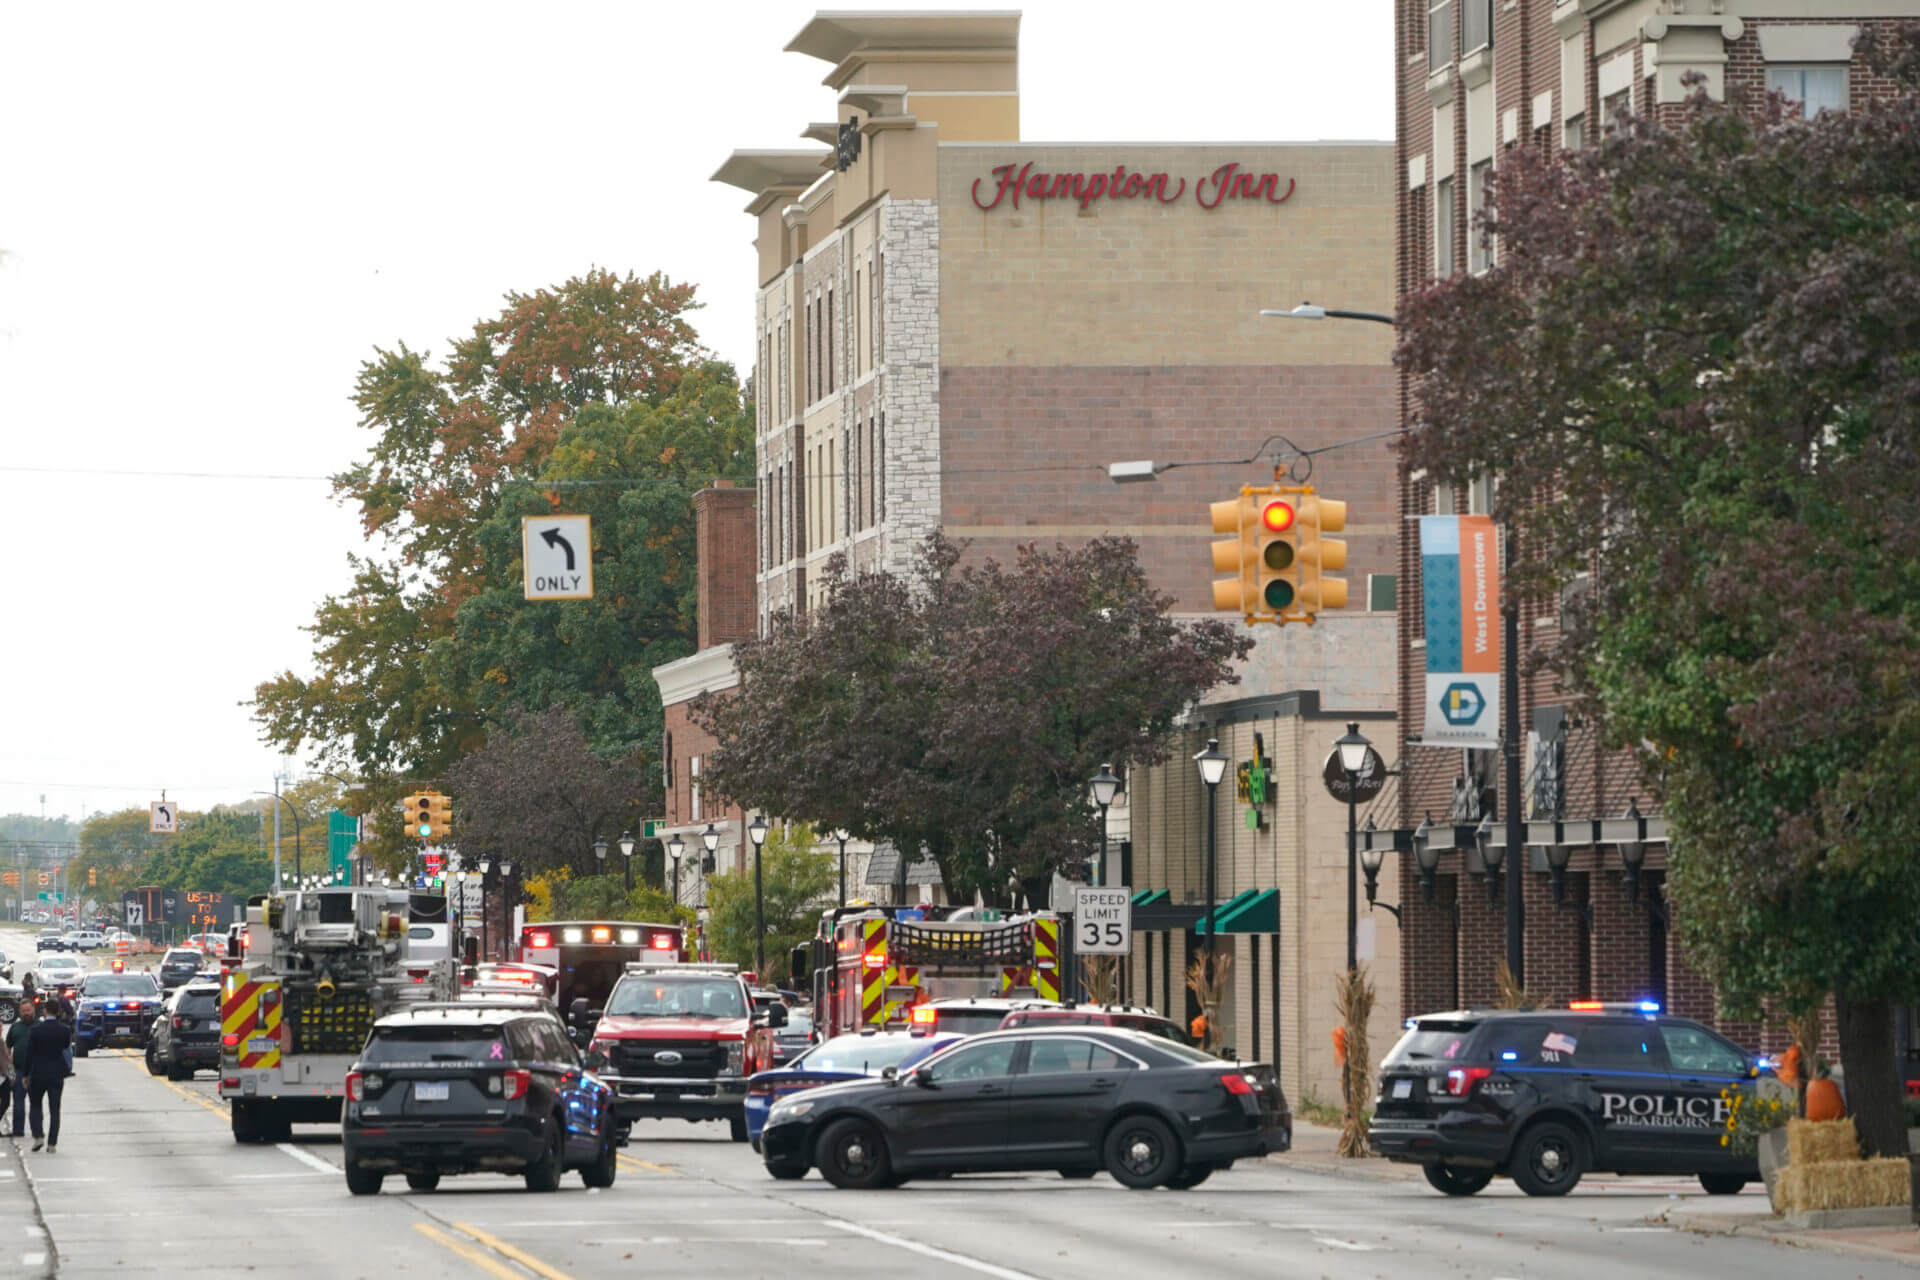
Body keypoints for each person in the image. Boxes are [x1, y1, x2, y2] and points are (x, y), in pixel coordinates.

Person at [23, 1004, 72, 1153]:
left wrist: (25, 1074)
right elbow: (66, 1045)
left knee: (35, 1105)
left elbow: (29, 1054)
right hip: (56, 1073)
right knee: (55, 1108)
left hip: (38, 1072)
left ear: (44, 1011)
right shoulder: (64, 1030)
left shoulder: (36, 1030)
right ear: (58, 1012)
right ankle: (52, 1143)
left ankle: (38, 1136)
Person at [6, 1004, 31, 1139]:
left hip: (35, 1071)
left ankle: (37, 1129)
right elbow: (7, 1051)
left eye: (28, 1010)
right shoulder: (15, 1027)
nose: (26, 1013)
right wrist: (11, 1074)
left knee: (36, 1103)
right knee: (18, 1102)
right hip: (19, 1070)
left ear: (33, 1010)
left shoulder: (38, 1026)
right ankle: (18, 1130)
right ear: (20, 1012)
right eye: (23, 1011)